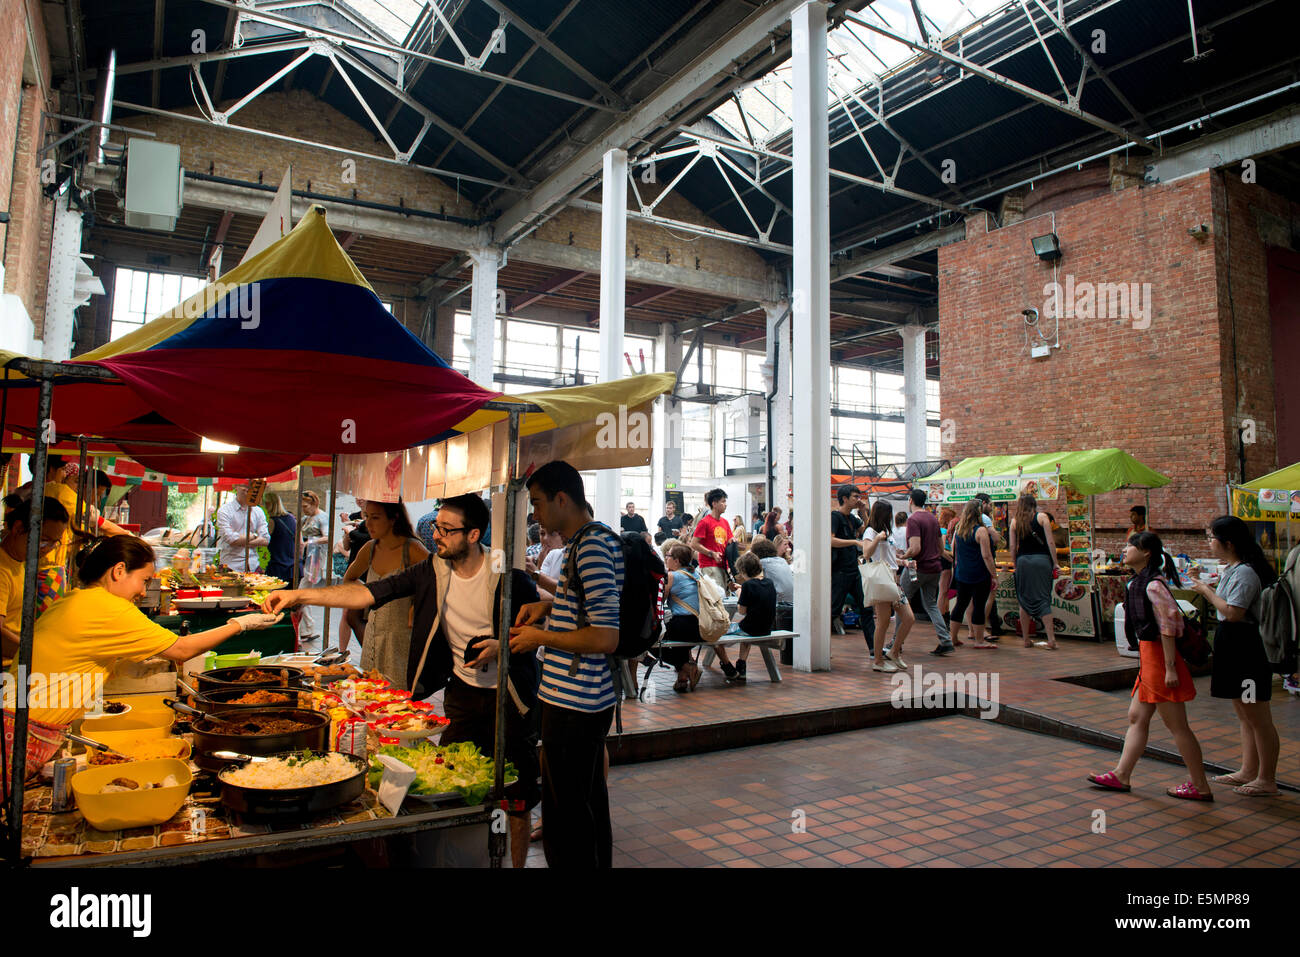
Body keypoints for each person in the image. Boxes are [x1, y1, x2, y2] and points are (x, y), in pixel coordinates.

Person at [264, 493, 542, 867]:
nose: (436, 535)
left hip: (511, 697)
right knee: (452, 779)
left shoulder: (504, 572)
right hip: (463, 694)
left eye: (446, 529)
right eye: (436, 526)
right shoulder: (433, 569)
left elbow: (534, 625)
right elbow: (368, 591)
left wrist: (502, 644)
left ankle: (516, 864)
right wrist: (302, 594)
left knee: (518, 795)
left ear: (474, 534)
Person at [6, 536, 279, 791]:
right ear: (119, 570)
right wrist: (239, 624)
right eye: (144, 580)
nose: (142, 591)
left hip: (18, 718)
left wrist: (125, 667)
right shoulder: (108, 607)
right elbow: (183, 649)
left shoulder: (73, 599)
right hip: (22, 730)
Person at [511, 460, 623, 869]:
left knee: (565, 812)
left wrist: (540, 637)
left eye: (538, 503)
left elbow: (604, 636)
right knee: (585, 801)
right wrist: (546, 607)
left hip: (577, 700)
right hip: (580, 697)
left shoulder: (591, 545)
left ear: (563, 499)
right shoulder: (590, 541)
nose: (536, 513)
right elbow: (586, 609)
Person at [1088, 532, 1213, 801]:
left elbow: (1168, 628)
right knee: (1137, 717)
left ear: (1146, 553)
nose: (1124, 549)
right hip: (1150, 659)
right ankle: (1121, 774)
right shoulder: (1139, 582)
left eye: (1130, 546)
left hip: (1159, 659)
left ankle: (1200, 785)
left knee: (1177, 725)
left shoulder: (1152, 585)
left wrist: (1169, 667)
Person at [1187, 516, 1281, 797]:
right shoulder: (1235, 569)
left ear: (1228, 543)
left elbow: (1232, 612)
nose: (1209, 543)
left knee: (1257, 715)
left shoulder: (1246, 573)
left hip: (1247, 651)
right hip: (1234, 647)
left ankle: (1267, 778)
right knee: (1243, 713)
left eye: (1211, 538)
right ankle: (1248, 770)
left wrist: (1205, 590)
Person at [351, 500, 428, 688]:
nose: (368, 523)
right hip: (372, 634)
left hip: (401, 639)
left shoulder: (412, 549)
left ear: (393, 519)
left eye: (375, 517)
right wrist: (363, 597)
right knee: (369, 695)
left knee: (397, 699)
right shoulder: (370, 548)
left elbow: (436, 581)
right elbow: (350, 578)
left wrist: (415, 607)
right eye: (366, 516)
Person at [0, 498, 70, 660]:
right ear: (18, 529)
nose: (48, 549)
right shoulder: (3, 570)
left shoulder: (22, 562)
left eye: (55, 543)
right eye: (44, 540)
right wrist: (39, 656)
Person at [899, 488, 953, 656]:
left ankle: (896, 642)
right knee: (931, 604)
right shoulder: (933, 518)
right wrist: (951, 559)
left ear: (910, 501)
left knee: (901, 602)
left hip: (918, 567)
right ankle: (946, 640)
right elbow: (940, 548)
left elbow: (915, 548)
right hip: (935, 568)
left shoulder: (913, 520)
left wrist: (902, 555)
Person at [863, 500, 914, 672]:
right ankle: (878, 660)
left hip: (892, 581)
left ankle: (893, 651)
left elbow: (889, 557)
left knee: (908, 618)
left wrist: (903, 562)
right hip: (882, 580)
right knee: (883, 622)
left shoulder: (887, 532)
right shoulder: (871, 531)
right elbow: (866, 553)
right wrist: (877, 538)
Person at [1008, 493, 1061, 650]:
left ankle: (1026, 639)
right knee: (1043, 598)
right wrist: (1055, 562)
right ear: (1034, 504)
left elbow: (1012, 546)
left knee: (1024, 599)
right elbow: (1050, 542)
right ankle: (1051, 640)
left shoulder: (1014, 521)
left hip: (1023, 562)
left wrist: (1015, 564)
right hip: (1042, 560)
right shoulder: (1042, 517)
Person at [948, 499, 998, 650]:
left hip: (962, 573)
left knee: (960, 604)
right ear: (979, 512)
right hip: (979, 573)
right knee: (979, 605)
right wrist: (994, 574)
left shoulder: (959, 529)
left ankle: (953, 637)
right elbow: (987, 556)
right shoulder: (980, 531)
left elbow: (953, 550)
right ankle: (979, 640)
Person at [831, 484, 874, 651]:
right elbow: (831, 540)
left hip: (853, 570)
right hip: (840, 571)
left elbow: (868, 530)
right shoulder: (835, 517)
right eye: (855, 497)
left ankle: (873, 648)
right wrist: (854, 542)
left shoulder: (852, 519)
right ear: (844, 498)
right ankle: (814, 646)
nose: (858, 499)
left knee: (866, 607)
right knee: (833, 610)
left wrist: (863, 512)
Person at [723, 552, 776, 682]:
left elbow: (741, 611)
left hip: (750, 628)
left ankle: (729, 666)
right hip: (766, 628)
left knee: (719, 631)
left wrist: (740, 592)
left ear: (744, 571)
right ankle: (741, 664)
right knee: (746, 634)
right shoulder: (769, 583)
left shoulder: (747, 586)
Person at [661, 543, 705, 693]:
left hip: (684, 625)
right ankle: (682, 679)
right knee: (679, 642)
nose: (666, 558)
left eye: (668, 556)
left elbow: (660, 600)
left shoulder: (672, 576)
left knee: (654, 641)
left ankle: (689, 669)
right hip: (700, 625)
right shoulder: (696, 573)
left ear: (677, 560)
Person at [215, 483, 270, 573]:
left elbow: (266, 539)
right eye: (243, 485)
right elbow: (231, 540)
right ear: (235, 487)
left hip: (253, 566)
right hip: (230, 566)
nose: (247, 488)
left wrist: (241, 540)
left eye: (250, 484)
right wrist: (254, 536)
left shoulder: (258, 511)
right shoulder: (225, 510)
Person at [297, 490, 329, 643]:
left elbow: (327, 537)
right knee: (304, 592)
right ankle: (307, 627)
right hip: (306, 556)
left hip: (316, 558)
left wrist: (310, 542)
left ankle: (307, 627)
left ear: (314, 504)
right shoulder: (306, 518)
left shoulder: (322, 517)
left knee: (303, 591)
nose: (304, 509)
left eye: (306, 506)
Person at [692, 489, 732, 594]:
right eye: (723, 501)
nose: (725, 505)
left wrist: (735, 543)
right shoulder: (705, 522)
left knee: (724, 597)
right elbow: (694, 544)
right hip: (709, 566)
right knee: (716, 598)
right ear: (714, 503)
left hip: (723, 565)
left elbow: (728, 541)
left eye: (725, 501)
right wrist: (711, 553)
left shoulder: (725, 522)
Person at [262, 492, 297, 582]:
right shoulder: (291, 518)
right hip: (292, 567)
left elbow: (263, 542)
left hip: (277, 567)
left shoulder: (272, 522)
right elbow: (300, 543)